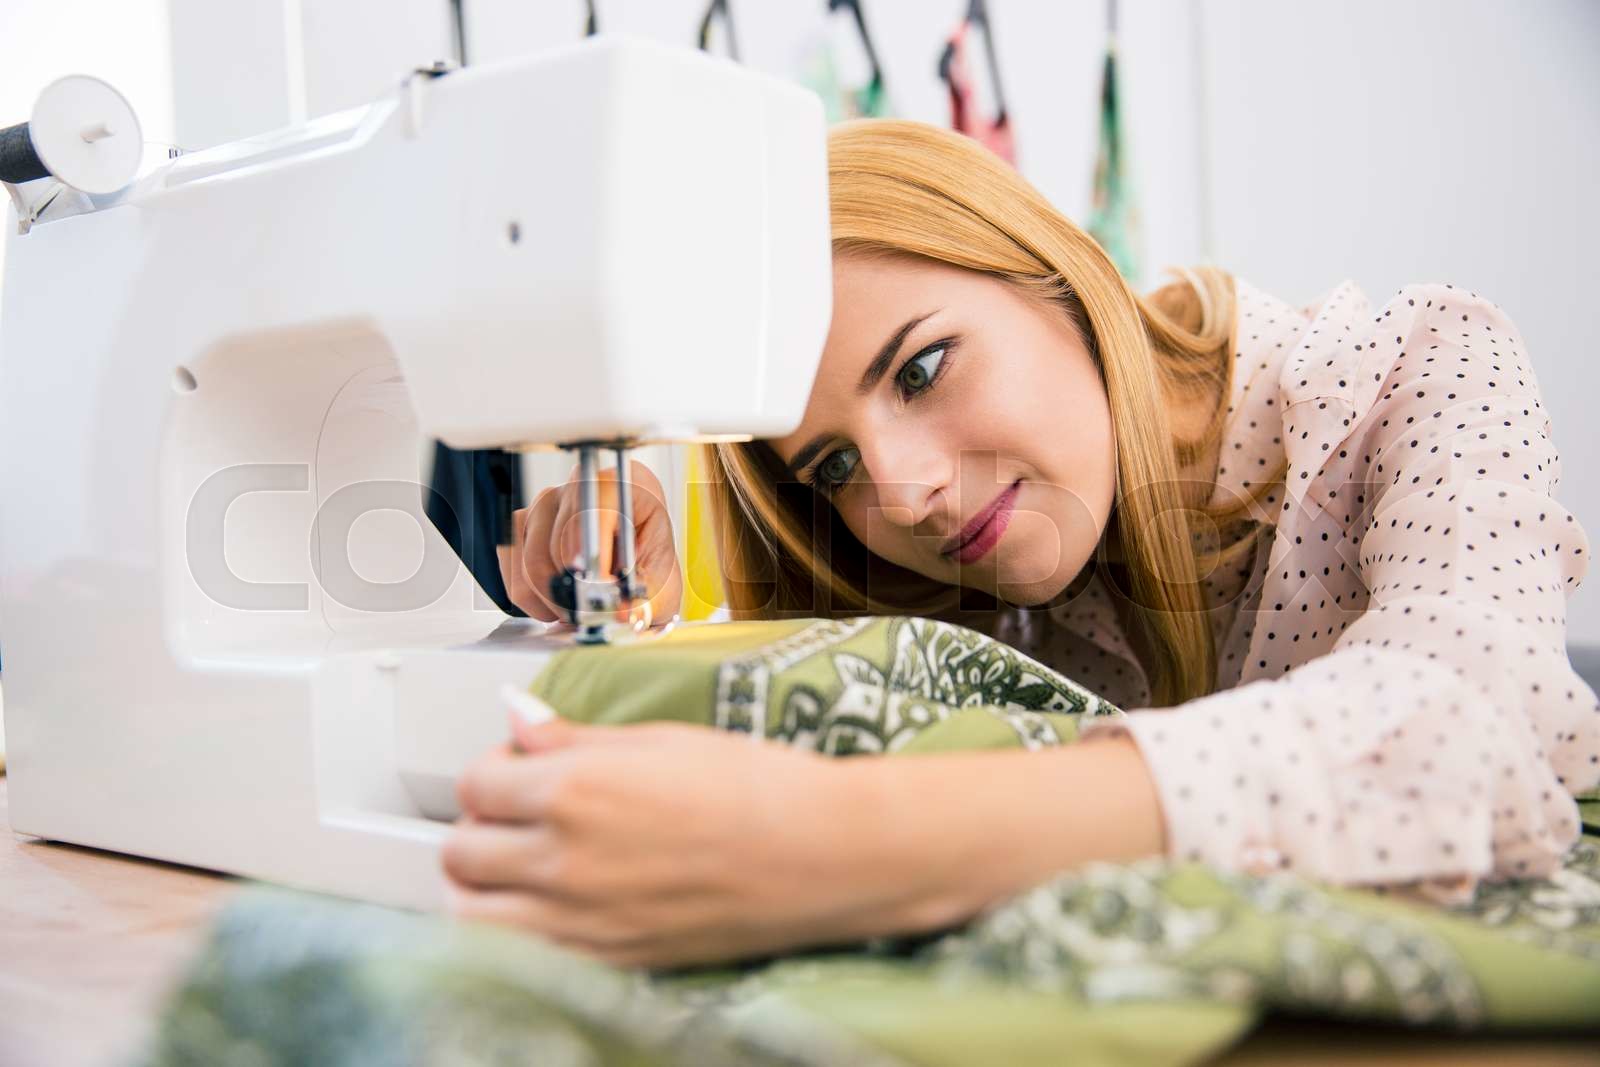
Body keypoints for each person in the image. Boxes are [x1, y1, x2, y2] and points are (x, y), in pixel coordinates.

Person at [443, 119, 1600, 969]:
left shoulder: (1417, 370)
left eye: (923, 366)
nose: (902, 490)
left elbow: (1470, 723)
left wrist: (833, 850)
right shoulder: (979, 577)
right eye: (833, 466)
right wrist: (653, 555)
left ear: (1055, 271)